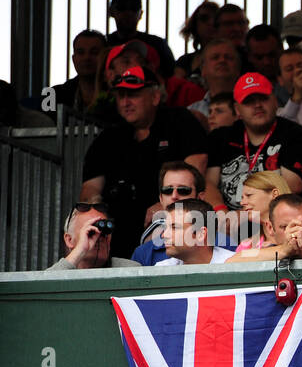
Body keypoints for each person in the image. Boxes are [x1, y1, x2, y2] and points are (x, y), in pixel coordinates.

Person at [79, 66, 209, 253]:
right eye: (121, 96)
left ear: (155, 97)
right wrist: (96, 216)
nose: (125, 102)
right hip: (116, 237)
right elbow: (90, 190)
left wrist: (166, 205)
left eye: (133, 95)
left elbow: (197, 166)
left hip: (172, 233)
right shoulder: (108, 139)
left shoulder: (179, 121)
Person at [207, 73, 302, 217]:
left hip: (274, 219)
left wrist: (242, 216)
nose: (257, 105)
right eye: (249, 101)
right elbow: (208, 183)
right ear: (237, 109)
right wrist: (221, 212)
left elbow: (292, 186)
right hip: (227, 221)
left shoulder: (295, 134)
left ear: (275, 101)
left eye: (263, 98)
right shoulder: (221, 137)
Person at [133, 162, 213, 265]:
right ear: (161, 198)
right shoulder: (142, 254)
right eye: (167, 190)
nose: (174, 196)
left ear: (200, 197)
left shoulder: (226, 245)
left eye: (183, 190)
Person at [223, 192, 302, 263]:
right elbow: (231, 262)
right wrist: (284, 250)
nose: (295, 232)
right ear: (270, 228)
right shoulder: (267, 251)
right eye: (285, 227)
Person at [105, 0, 176, 80]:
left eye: (134, 8)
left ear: (140, 13)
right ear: (111, 12)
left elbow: (171, 77)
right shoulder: (103, 43)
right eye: (122, 7)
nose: (128, 12)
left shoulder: (158, 45)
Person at [47, 201, 140, 271]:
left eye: (104, 231)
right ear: (69, 240)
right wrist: (80, 250)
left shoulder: (129, 269)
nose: (98, 236)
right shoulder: (60, 271)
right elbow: (42, 285)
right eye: (90, 232)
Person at [156, 199, 236, 265]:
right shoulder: (161, 270)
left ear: (201, 234)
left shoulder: (236, 265)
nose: (164, 235)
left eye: (174, 227)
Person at [232, 170, 291, 254]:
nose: (242, 202)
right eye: (242, 197)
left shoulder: (298, 234)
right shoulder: (247, 246)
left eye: (249, 195)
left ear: (274, 194)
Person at [52, 30, 107, 116]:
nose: (87, 58)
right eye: (81, 52)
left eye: (94, 53)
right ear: (73, 59)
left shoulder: (118, 94)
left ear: (105, 57)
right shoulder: (54, 95)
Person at [187, 38, 241, 125]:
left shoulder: (248, 106)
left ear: (238, 69)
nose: (222, 60)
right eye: (215, 57)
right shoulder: (191, 112)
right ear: (203, 69)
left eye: (228, 57)